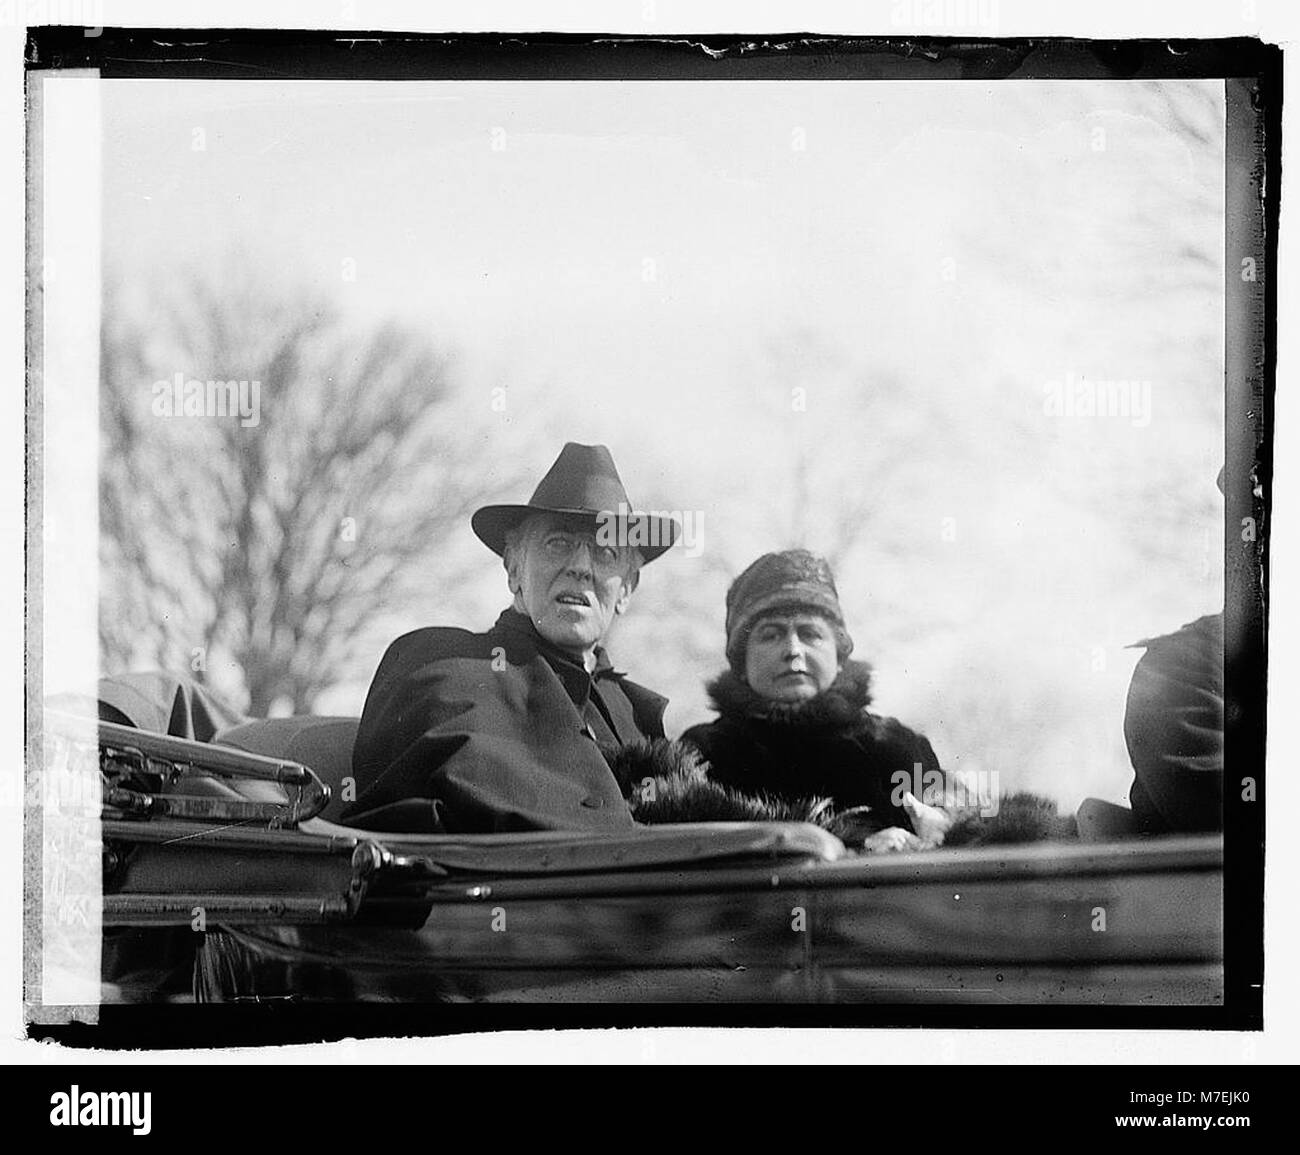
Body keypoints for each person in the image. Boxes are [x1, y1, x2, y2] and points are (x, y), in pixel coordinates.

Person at [342, 442, 686, 833]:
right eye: (558, 543)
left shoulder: (634, 714)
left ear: (626, 588)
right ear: (513, 569)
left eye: (605, 553)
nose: (580, 566)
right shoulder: (446, 666)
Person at [679, 550, 947, 852]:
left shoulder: (895, 751)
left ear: (839, 657)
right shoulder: (701, 755)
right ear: (741, 663)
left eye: (810, 634)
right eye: (771, 635)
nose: (793, 650)